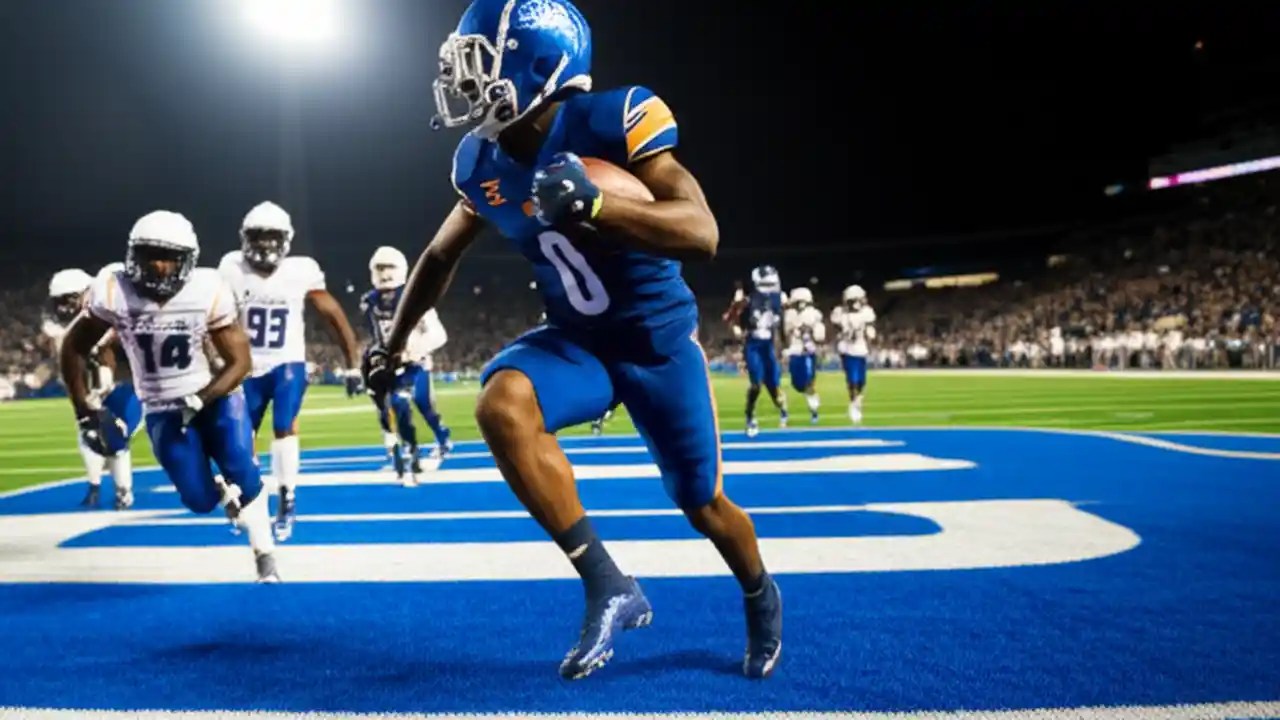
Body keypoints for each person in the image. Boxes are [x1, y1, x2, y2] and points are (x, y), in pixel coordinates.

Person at [364, 0, 781, 680]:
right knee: (502, 404)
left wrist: (598, 204)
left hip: (656, 348)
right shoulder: (480, 162)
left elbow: (702, 232)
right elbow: (439, 257)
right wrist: (392, 345)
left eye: (478, 62)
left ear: (535, 65)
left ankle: (761, 594)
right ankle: (607, 583)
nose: (463, 80)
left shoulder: (615, 118)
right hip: (578, 341)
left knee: (703, 504)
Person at [59, 210, 279, 582]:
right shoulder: (113, 288)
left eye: (169, 258)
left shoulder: (207, 288)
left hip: (215, 397)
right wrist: (83, 409)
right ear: (133, 256)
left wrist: (204, 397)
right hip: (162, 408)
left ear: (187, 262)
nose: (159, 267)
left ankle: (265, 554)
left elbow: (239, 361)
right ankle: (224, 496)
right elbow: (73, 346)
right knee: (198, 499)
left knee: (241, 464)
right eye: (150, 256)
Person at [219, 201, 360, 540]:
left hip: (287, 362)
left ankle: (287, 498)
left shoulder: (301, 270)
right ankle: (250, 498)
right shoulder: (231, 267)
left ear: (286, 239)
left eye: (272, 236)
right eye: (259, 236)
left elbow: (332, 315)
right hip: (246, 369)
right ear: (245, 238)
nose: (266, 244)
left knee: (285, 426)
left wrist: (353, 363)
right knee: (240, 440)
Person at [43, 267, 141, 509]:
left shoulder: (116, 310)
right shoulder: (76, 330)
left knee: (115, 438)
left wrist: (108, 342)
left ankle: (123, 491)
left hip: (131, 387)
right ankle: (99, 488)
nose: (65, 308)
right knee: (91, 438)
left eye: (69, 300)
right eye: (60, 303)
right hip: (98, 391)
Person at [361, 246, 452, 487]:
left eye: (390, 267)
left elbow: (439, 335)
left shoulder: (415, 297)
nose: (385, 273)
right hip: (389, 366)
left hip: (415, 363)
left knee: (424, 407)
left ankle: (441, 439)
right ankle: (404, 456)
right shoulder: (370, 302)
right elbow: (376, 335)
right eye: (380, 267)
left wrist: (412, 350)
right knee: (386, 409)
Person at [740, 266, 788, 437]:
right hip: (753, 345)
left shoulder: (778, 301)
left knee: (773, 386)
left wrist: (784, 346)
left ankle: (782, 408)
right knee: (756, 384)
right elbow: (737, 323)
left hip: (767, 345)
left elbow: (781, 325)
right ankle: (750, 414)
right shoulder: (748, 301)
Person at [830, 284, 876, 424]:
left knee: (861, 381)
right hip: (847, 349)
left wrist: (869, 333)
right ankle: (854, 404)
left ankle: (856, 399)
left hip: (861, 349)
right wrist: (845, 331)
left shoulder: (866, 312)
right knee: (853, 379)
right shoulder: (841, 313)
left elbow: (870, 329)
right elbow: (836, 327)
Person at [783, 287, 825, 424]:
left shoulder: (814, 315)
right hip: (795, 352)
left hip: (807, 352)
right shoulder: (790, 315)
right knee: (797, 385)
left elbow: (820, 336)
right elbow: (786, 334)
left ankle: (814, 412)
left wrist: (809, 332)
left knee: (808, 383)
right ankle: (813, 404)